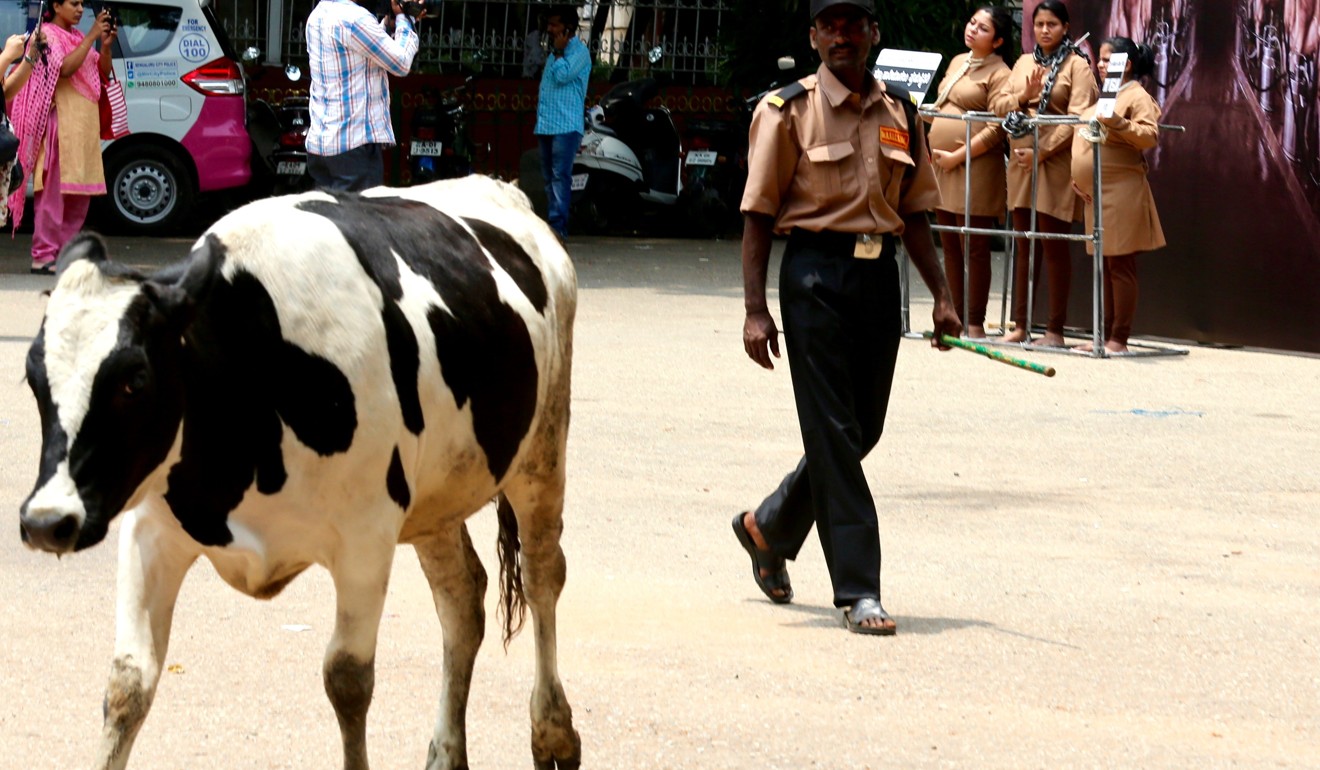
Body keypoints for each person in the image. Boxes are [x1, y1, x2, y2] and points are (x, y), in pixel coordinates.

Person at [732, 0, 961, 637]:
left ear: (873, 35)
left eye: (854, 24)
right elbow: (757, 214)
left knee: (862, 428)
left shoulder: (900, 112)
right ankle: (859, 589)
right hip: (813, 277)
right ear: (813, 36)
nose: (842, 36)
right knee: (833, 429)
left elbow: (915, 212)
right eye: (830, 26)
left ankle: (768, 526)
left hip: (876, 279)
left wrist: (942, 297)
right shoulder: (785, 112)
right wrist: (756, 309)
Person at [993, 0, 1097, 347]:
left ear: (1066, 27)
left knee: (1053, 247)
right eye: (1039, 24)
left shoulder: (1077, 66)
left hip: (1054, 162)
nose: (1045, 30)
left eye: (1052, 24)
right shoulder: (1023, 62)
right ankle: (1021, 325)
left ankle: (1054, 330)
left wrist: (1042, 152)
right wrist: (1025, 94)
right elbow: (999, 105)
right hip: (1021, 161)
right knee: (1025, 246)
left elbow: (1078, 116)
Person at [1070, 37, 1165, 354]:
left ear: (1125, 65)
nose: (1099, 64)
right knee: (1105, 263)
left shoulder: (1137, 95)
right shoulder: (1105, 95)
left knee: (1119, 264)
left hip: (1121, 188)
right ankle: (1103, 334)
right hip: (1094, 192)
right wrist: (1077, 177)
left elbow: (1149, 135)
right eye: (1099, 59)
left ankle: (1118, 338)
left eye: (1106, 59)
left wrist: (1119, 122)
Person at [7, 0, 116, 274]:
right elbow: (64, 69)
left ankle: (64, 255)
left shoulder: (77, 36)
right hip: (60, 127)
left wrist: (104, 46)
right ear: (56, 5)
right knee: (53, 197)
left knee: (79, 196)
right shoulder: (47, 35)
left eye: (82, 4)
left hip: (82, 128)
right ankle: (43, 256)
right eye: (74, 3)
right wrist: (92, 35)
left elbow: (101, 72)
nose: (80, 9)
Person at [927, 5, 1014, 340]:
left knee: (974, 246)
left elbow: (996, 128)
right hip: (943, 164)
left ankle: (975, 320)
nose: (973, 29)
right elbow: (942, 109)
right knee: (948, 243)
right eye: (972, 23)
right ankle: (954, 315)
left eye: (983, 28)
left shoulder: (1000, 72)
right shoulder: (957, 62)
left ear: (998, 41)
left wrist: (958, 156)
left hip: (975, 166)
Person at [305, 0, 420, 192]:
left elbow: (362, 47)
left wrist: (386, 26)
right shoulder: (355, 19)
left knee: (329, 218)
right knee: (357, 219)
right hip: (352, 147)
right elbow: (400, 62)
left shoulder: (317, 15)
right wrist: (405, 19)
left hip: (322, 146)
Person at [534, 5, 590, 242]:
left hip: (566, 127)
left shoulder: (579, 52)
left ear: (567, 28)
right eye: (549, 24)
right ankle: (554, 224)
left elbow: (562, 75)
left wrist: (558, 53)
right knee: (549, 177)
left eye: (554, 24)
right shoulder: (553, 53)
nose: (550, 29)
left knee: (560, 177)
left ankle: (558, 227)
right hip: (547, 124)